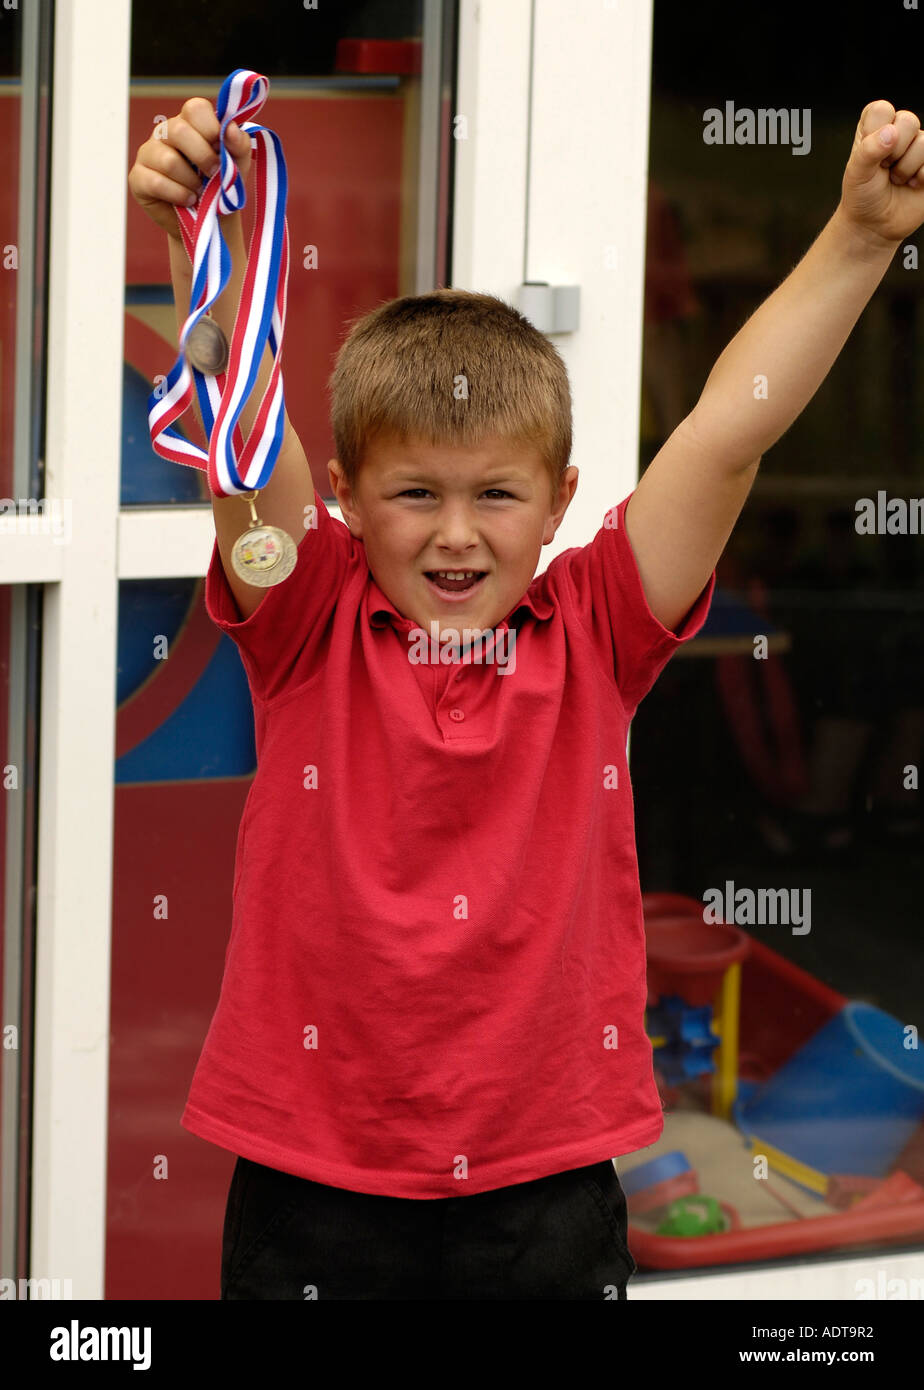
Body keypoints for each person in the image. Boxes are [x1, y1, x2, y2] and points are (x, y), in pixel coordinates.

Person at [129, 95, 924, 1300]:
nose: (456, 535)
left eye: (496, 496)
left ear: (559, 502)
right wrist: (208, 239)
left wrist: (860, 240)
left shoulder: (598, 626)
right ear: (344, 494)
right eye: (414, 495)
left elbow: (722, 438)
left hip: (544, 1191)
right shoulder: (304, 616)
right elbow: (243, 429)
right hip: (315, 1190)